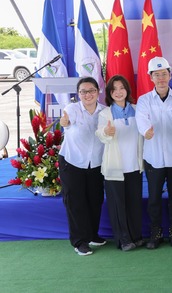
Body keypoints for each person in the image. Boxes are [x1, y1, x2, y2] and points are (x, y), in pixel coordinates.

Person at [135, 56, 172, 249]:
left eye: (164, 74)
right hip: (153, 156)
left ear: (170, 75)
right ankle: (155, 233)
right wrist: (145, 130)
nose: (161, 78)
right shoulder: (144, 100)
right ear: (151, 77)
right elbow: (141, 120)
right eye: (156, 75)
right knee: (154, 198)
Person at [58, 77, 105, 256]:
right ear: (78, 94)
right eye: (83, 91)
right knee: (75, 202)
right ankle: (79, 242)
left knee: (95, 200)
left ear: (98, 91)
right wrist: (65, 122)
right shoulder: (72, 109)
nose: (88, 94)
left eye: (91, 90)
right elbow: (67, 121)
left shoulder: (105, 111)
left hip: (96, 163)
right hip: (72, 162)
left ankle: (92, 234)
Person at [96, 75, 143, 252]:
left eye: (121, 88)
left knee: (134, 203)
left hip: (134, 165)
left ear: (127, 90)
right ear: (109, 93)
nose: (118, 92)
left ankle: (136, 236)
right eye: (114, 89)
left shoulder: (138, 110)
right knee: (117, 204)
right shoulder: (105, 113)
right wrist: (106, 132)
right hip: (114, 167)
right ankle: (123, 239)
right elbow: (100, 134)